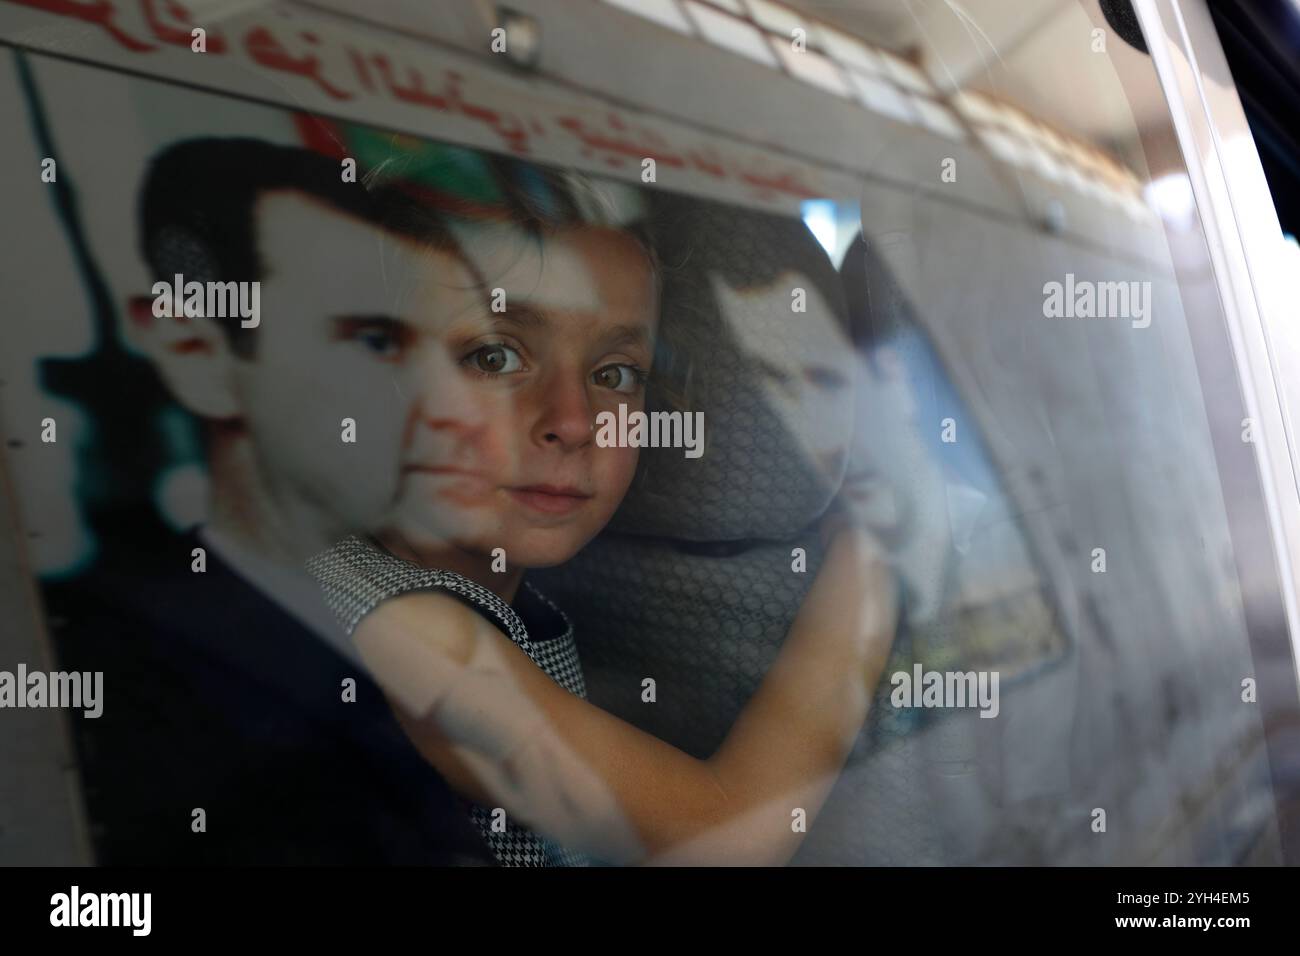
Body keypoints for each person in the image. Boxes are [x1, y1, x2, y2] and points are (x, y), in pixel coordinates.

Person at [308, 180, 902, 866]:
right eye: (493, 356)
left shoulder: (431, 587)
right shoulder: (396, 634)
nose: (572, 419)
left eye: (616, 373)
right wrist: (873, 557)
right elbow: (724, 840)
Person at [51, 136, 502, 864]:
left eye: (473, 356)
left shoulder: (515, 619)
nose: (464, 408)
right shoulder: (99, 685)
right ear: (198, 357)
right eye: (379, 341)